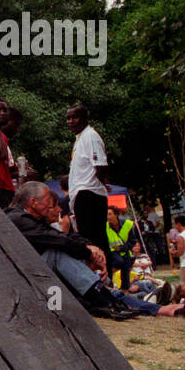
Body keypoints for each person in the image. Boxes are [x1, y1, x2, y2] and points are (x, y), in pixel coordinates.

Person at [9, 182, 185, 319]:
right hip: (26, 282)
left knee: (105, 294)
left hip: (48, 280)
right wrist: (89, 253)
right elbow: (57, 241)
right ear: (33, 203)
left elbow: (68, 238)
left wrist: (91, 249)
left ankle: (165, 309)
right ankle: (107, 297)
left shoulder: (33, 220)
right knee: (59, 254)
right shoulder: (17, 219)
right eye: (50, 204)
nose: (56, 210)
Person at [65, 103, 110, 256]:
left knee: (96, 240)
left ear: (85, 118)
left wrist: (102, 183)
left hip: (89, 194)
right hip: (81, 194)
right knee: (88, 240)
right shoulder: (80, 138)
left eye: (74, 117)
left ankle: (105, 275)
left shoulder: (90, 136)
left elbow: (101, 165)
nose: (71, 121)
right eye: (68, 118)